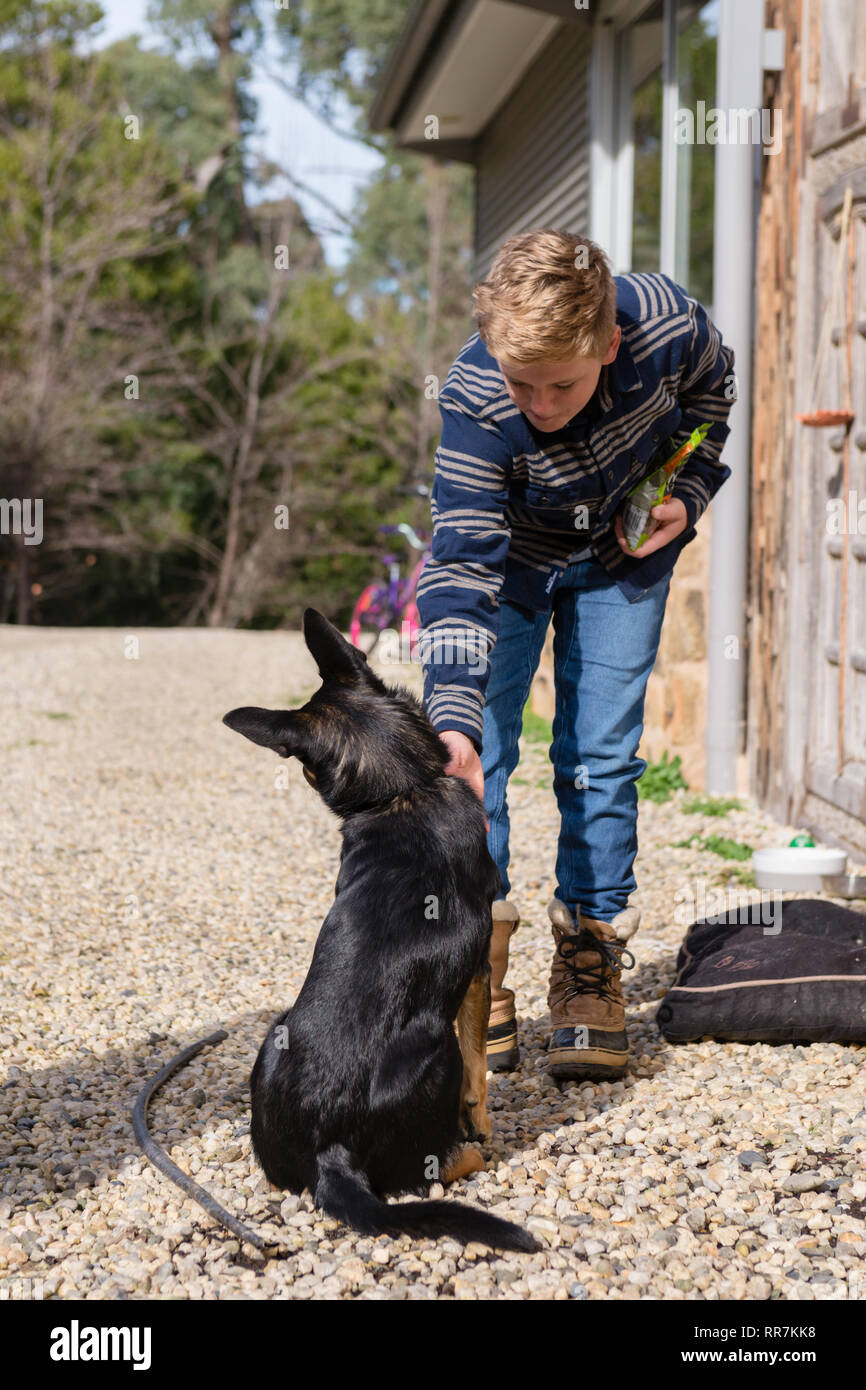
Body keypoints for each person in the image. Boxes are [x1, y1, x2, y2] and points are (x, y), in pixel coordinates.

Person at [415, 228, 736, 1083]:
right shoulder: (481, 395)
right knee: (475, 749)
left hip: (620, 558)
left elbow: (713, 402)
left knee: (600, 752)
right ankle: (474, 967)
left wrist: (687, 494)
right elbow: (459, 561)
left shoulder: (670, 324)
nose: (542, 403)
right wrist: (448, 720)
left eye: (562, 383)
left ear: (611, 344)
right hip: (511, 563)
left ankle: (589, 961)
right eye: (525, 383)